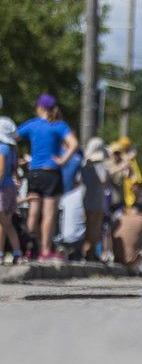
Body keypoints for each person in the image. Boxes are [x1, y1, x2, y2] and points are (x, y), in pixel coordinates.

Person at [15, 94, 79, 260]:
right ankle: (45, 250)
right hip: (51, 172)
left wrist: (16, 160)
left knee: (33, 211)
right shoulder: (58, 125)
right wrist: (63, 160)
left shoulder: (32, 124)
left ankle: (28, 248)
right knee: (49, 213)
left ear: (41, 108)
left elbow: (12, 137)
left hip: (34, 172)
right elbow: (74, 144)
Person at [80, 137, 109, 261]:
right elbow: (104, 180)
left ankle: (87, 252)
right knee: (94, 227)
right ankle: (90, 252)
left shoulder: (83, 163)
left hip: (85, 198)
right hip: (95, 199)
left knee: (87, 226)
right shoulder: (100, 163)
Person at [0, 117, 23, 263]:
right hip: (11, 189)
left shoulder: (1, 149)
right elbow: (14, 171)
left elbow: (0, 171)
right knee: (8, 224)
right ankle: (17, 253)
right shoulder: (13, 150)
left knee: (3, 224)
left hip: (2, 189)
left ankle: (0, 254)